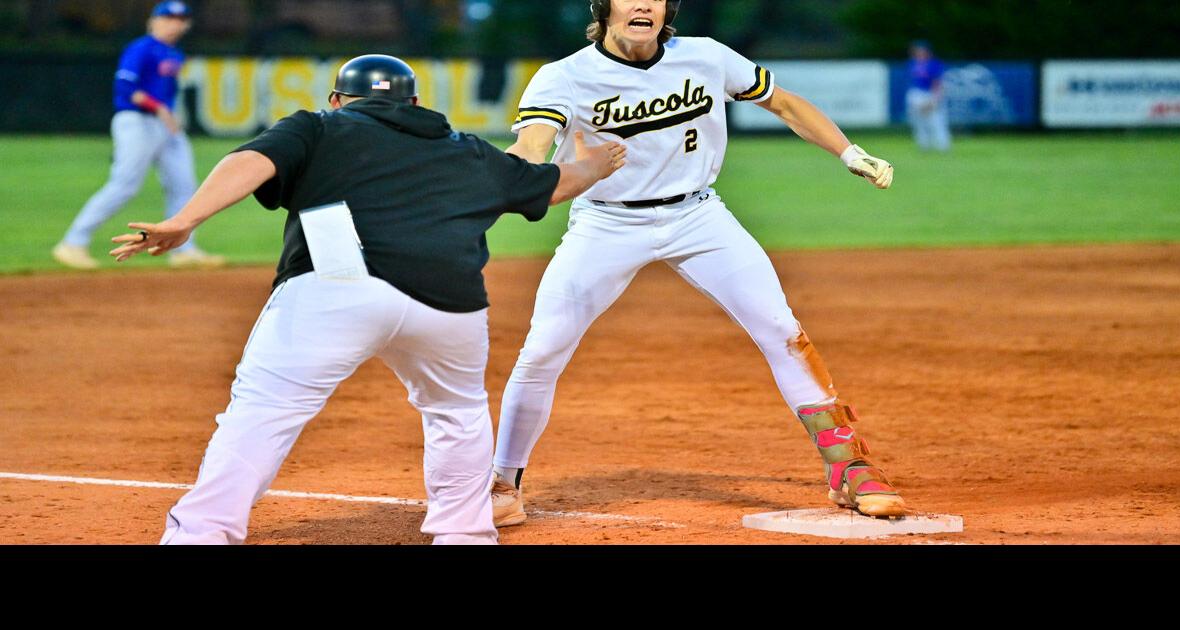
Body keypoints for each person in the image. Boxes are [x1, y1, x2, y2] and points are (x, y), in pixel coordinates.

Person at [109, 54, 626, 544]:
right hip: (449, 301)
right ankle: (464, 532)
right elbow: (555, 183)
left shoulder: (318, 126)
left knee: (264, 409)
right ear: (418, 105)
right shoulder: (467, 149)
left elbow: (252, 160)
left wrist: (185, 220)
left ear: (337, 100)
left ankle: (201, 533)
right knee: (457, 411)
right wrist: (599, 162)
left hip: (337, 286)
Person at [490, 0, 907, 528]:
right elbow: (532, 145)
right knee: (543, 347)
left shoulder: (706, 56)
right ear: (603, 6)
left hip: (699, 217)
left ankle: (848, 468)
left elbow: (784, 104)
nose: (643, 3)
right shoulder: (565, 77)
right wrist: (516, 174)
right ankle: (504, 481)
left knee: (780, 329)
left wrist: (848, 152)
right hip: (606, 225)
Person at [54, 1, 224, 270]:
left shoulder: (175, 53)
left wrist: (168, 113)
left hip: (164, 125)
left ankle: (183, 250)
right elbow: (124, 87)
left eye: (181, 19)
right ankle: (73, 243)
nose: (175, 23)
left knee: (184, 185)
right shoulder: (141, 48)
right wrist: (160, 109)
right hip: (136, 121)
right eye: (168, 17)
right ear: (153, 21)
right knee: (125, 184)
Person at [906, 40, 952, 152]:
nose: (919, 53)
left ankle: (943, 147)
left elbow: (938, 82)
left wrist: (934, 99)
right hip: (917, 94)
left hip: (930, 93)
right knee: (919, 121)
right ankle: (924, 146)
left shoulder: (934, 64)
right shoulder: (913, 63)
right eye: (917, 51)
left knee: (936, 120)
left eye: (921, 51)